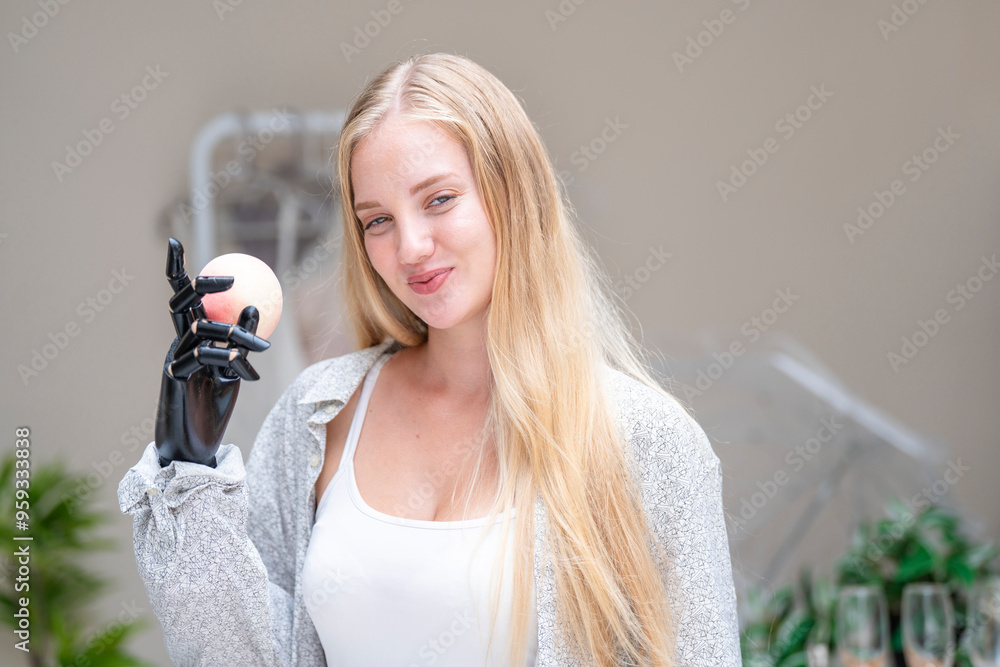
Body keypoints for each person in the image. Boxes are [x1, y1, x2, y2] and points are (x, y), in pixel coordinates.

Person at [118, 52, 741, 667]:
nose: (411, 247)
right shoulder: (317, 414)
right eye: (378, 220)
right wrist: (188, 468)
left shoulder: (646, 442)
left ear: (514, 194)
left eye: (439, 199)